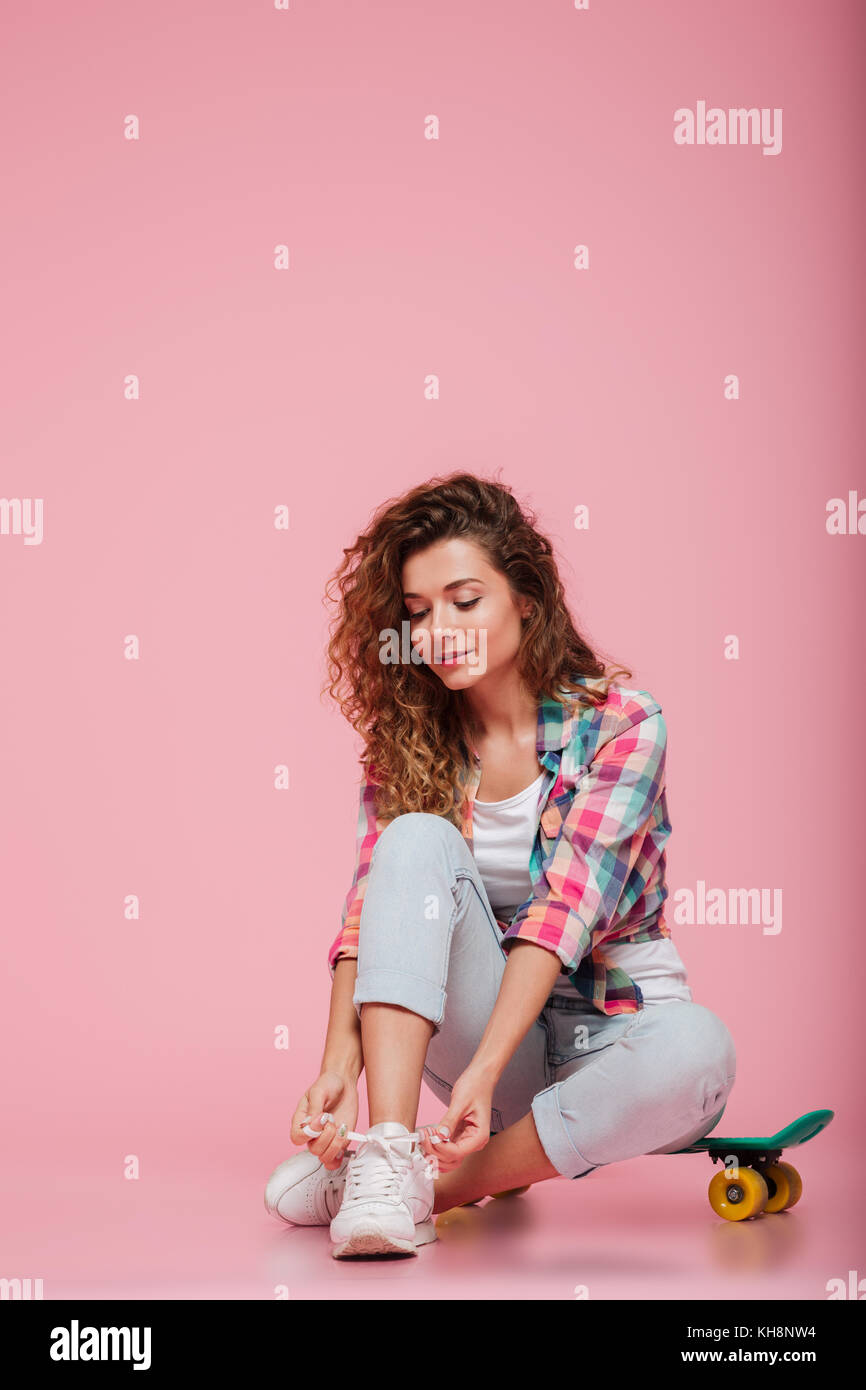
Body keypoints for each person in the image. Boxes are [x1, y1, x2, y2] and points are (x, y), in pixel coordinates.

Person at [264, 471, 737, 1259]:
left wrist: (479, 1077)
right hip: (495, 1050)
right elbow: (367, 918)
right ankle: (386, 1145)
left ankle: (418, 1184)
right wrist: (334, 1068)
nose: (437, 630)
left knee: (698, 1050)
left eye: (464, 600)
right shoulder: (411, 739)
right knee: (411, 840)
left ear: (526, 596)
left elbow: (563, 913)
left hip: (613, 1042)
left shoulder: (622, 725)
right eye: (416, 614)